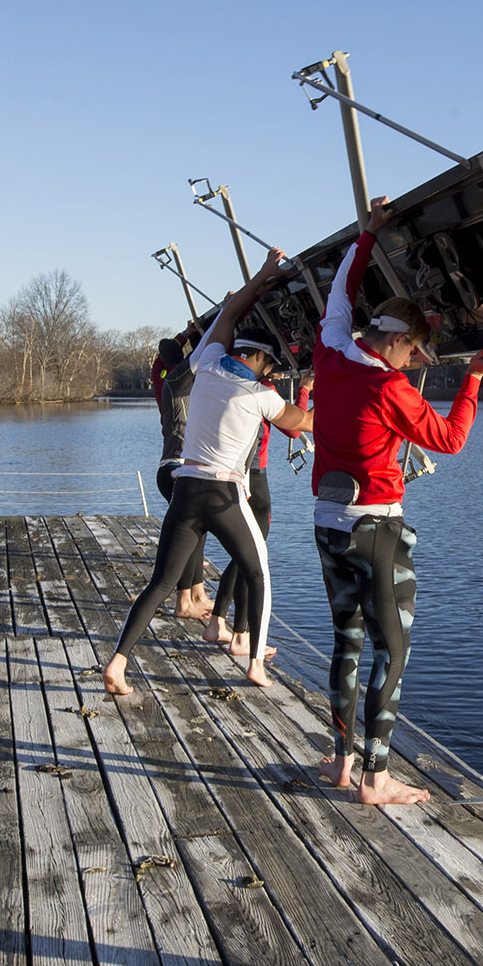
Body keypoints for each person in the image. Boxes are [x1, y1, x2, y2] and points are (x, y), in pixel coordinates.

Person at [308, 199, 483, 806]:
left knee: (346, 640)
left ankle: (341, 761)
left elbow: (342, 286)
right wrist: (471, 380)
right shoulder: (387, 387)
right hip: (377, 530)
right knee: (393, 650)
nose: (415, 362)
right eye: (414, 351)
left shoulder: (330, 349)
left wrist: (366, 235)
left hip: (326, 524)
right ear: (395, 340)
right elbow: (450, 439)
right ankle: (376, 777)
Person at [105, 252, 311, 696]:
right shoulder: (260, 396)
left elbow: (231, 311)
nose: (269, 373)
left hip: (185, 490)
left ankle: (119, 663)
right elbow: (305, 422)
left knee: (161, 582)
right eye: (269, 366)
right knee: (258, 573)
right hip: (224, 494)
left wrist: (264, 273)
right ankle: (255, 662)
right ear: (257, 358)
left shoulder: (208, 362)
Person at [208, 328, 303, 660]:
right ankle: (241, 636)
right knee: (254, 560)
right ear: (260, 360)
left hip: (232, 478)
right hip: (254, 480)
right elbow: (293, 426)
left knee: (241, 556)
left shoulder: (221, 378)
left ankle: (217, 620)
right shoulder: (260, 390)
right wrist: (304, 390)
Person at [150, 319, 215, 622]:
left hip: (171, 470)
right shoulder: (179, 386)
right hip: (176, 470)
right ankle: (183, 602)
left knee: (196, 533)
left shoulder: (164, 381)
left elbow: (163, 354)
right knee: (189, 535)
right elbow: (181, 353)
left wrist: (187, 334)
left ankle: (196, 595)